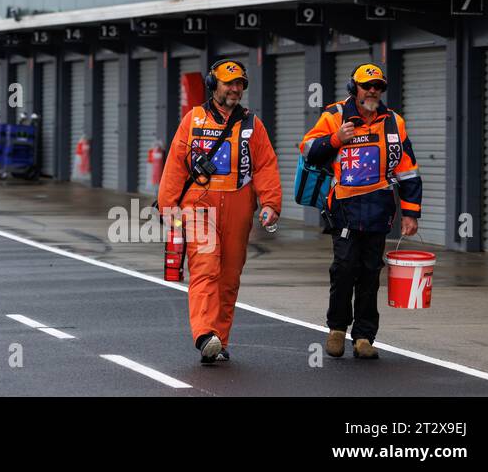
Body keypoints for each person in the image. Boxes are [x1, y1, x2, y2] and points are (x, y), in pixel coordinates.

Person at [158, 58, 281, 365]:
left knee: (229, 276)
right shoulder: (193, 119)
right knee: (205, 267)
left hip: (239, 205)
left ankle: (218, 341)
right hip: (199, 205)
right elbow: (175, 164)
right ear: (214, 85)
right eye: (229, 83)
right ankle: (203, 333)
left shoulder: (253, 124)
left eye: (239, 84)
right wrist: (168, 206)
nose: (235, 89)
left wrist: (270, 203)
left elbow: (265, 165)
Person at [301, 63, 422, 361]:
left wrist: (411, 213)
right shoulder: (333, 115)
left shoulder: (394, 122)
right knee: (343, 268)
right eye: (367, 86)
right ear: (353, 87)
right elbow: (307, 150)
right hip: (343, 207)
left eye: (377, 86)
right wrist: (335, 139)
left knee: (370, 272)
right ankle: (337, 329)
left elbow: (408, 170)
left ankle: (365, 336)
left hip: (379, 209)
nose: (372, 91)